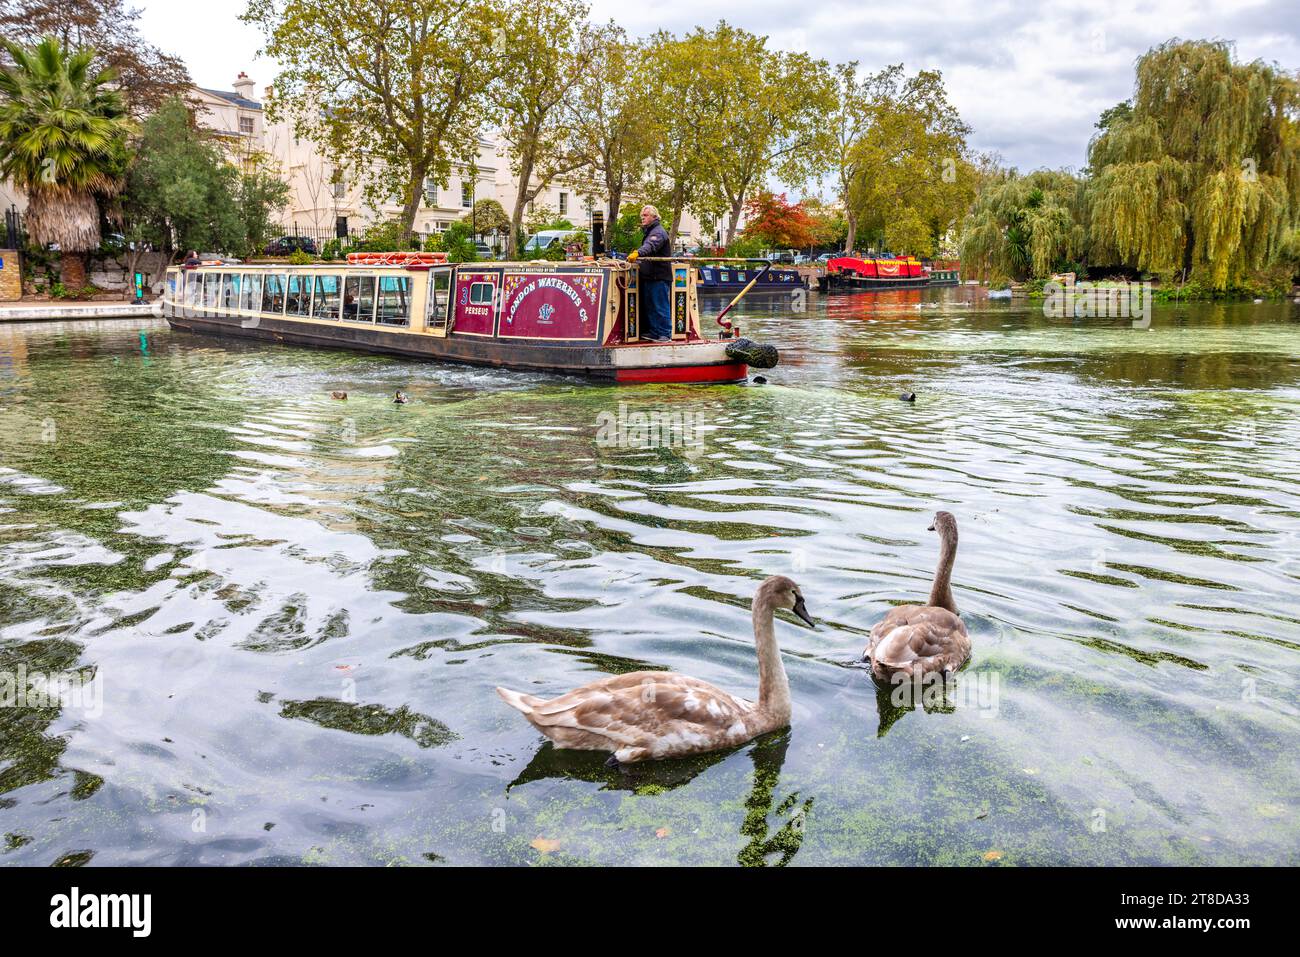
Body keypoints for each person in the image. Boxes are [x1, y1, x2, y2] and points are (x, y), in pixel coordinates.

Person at [627, 205, 672, 340]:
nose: (643, 217)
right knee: (651, 306)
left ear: (654, 217)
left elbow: (650, 246)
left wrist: (637, 253)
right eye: (642, 215)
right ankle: (654, 332)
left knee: (660, 306)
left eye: (645, 215)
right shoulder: (650, 231)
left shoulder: (658, 232)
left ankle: (665, 334)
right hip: (650, 276)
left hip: (659, 276)